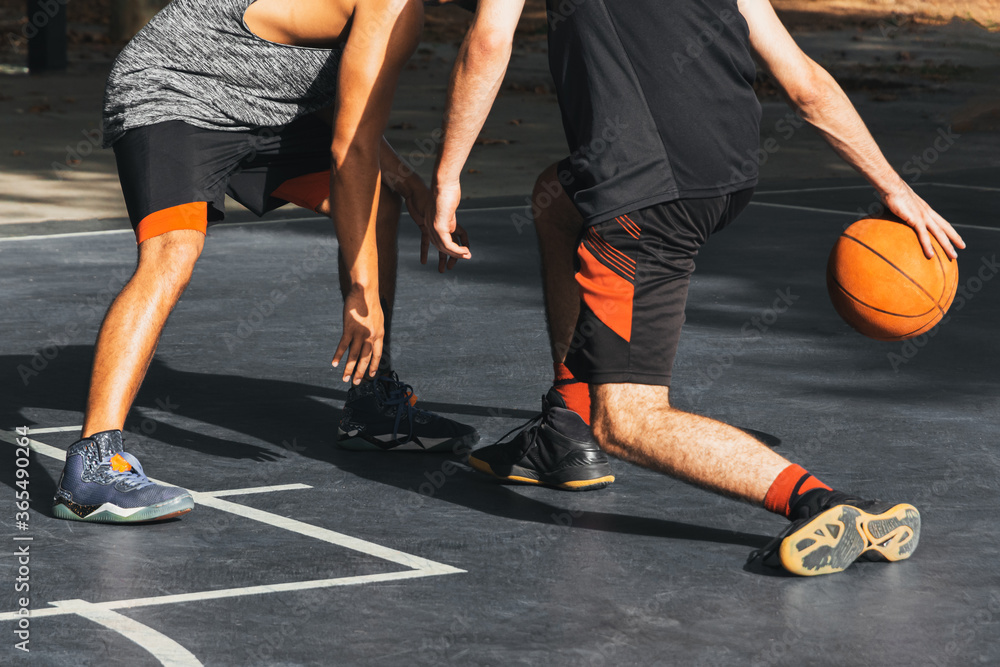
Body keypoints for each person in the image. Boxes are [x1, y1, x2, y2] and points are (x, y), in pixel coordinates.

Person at [425, 0, 965, 575]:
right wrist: (894, 184)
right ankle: (565, 423)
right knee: (555, 200)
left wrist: (448, 174)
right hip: (727, 171)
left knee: (629, 419)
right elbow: (803, 80)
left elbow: (488, 40)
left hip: (649, 194)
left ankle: (825, 503)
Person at [53, 0, 478, 524]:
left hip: (269, 107)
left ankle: (373, 404)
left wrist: (405, 177)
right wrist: (360, 291)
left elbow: (331, 94)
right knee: (173, 253)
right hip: (175, 90)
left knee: (381, 202)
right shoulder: (395, 7)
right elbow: (351, 149)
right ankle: (91, 466)